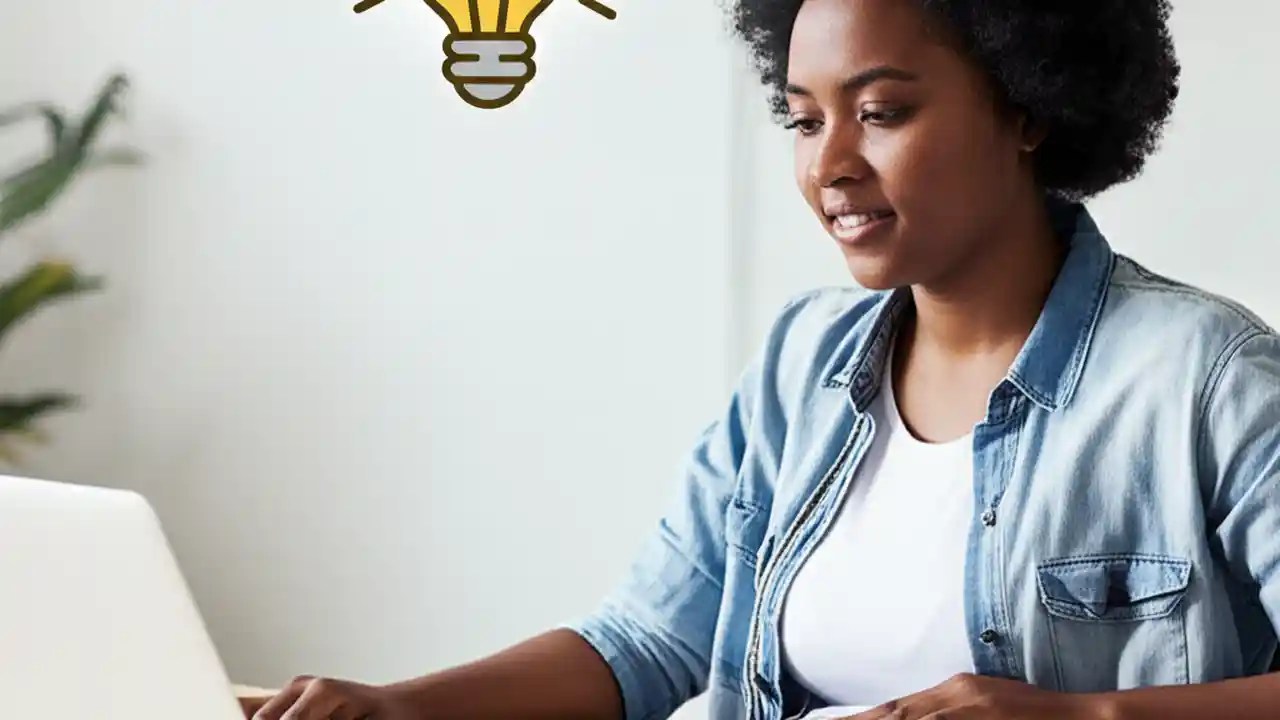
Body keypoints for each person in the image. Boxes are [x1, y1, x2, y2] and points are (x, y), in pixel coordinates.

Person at [245, 0, 1280, 718]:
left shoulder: (1202, 376)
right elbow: (649, 643)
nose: (827, 165)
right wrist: (394, 706)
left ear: (1026, 107)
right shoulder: (804, 363)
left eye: (879, 113)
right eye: (800, 117)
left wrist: (1080, 716)